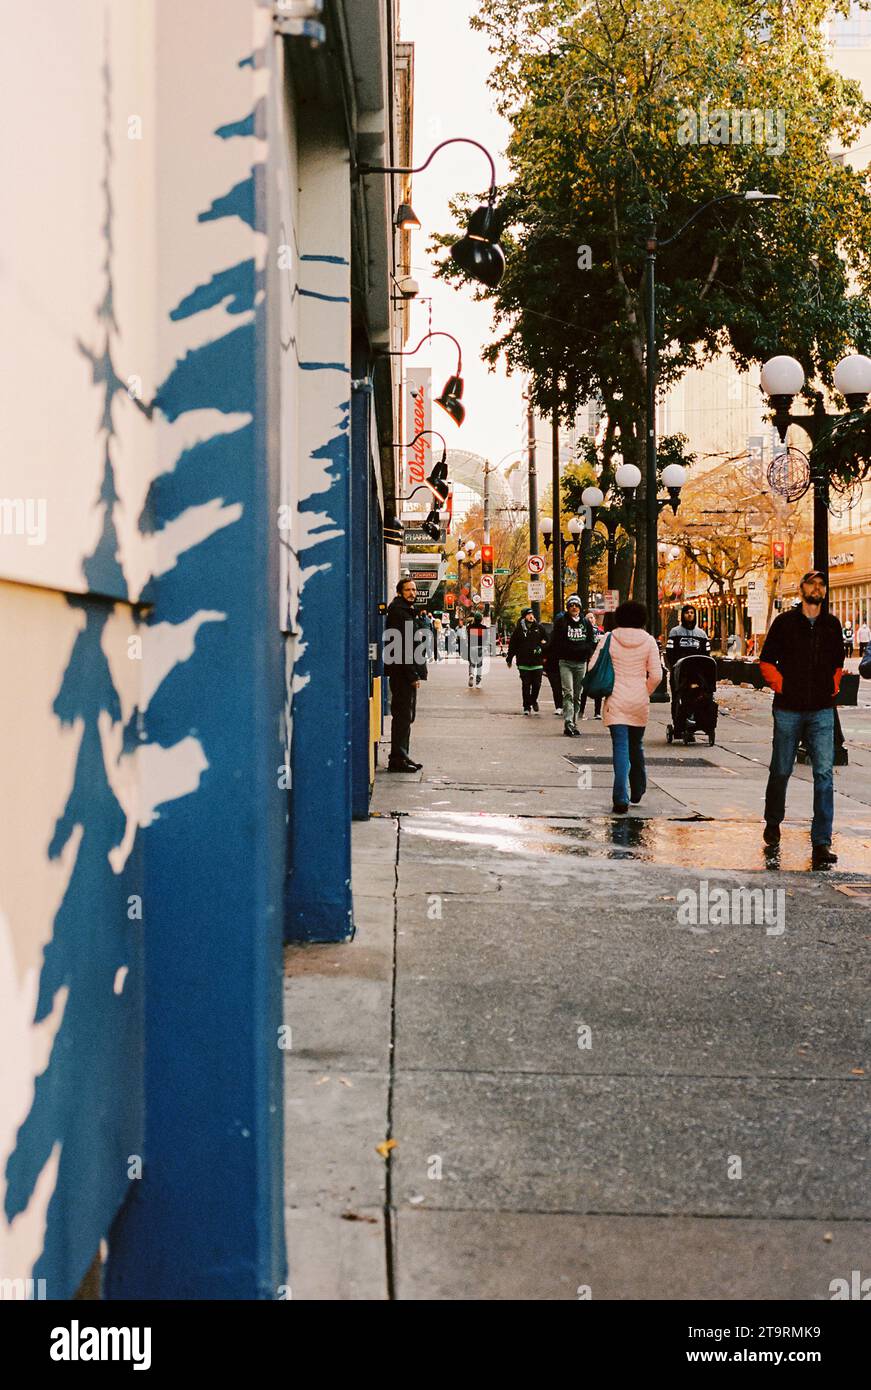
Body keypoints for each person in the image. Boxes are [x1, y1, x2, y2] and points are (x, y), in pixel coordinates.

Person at [758, 570, 844, 868]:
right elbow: (766, 661)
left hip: (821, 710)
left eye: (822, 585)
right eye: (812, 584)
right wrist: (782, 686)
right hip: (788, 709)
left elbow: (838, 664)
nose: (817, 588)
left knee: (823, 773)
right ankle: (773, 821)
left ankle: (821, 842)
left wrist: (832, 686)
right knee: (781, 769)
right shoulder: (784, 623)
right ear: (802, 589)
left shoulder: (831, 625)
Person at [586, 601, 662, 813]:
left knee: (620, 747)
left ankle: (621, 796)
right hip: (638, 699)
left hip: (616, 698)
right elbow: (657, 675)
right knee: (636, 745)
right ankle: (638, 788)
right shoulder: (648, 641)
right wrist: (644, 691)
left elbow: (592, 666)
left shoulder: (608, 638)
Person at [383, 577, 427, 772]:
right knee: (402, 716)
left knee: (405, 716)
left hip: (404, 672)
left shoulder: (406, 612)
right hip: (402, 674)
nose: (413, 593)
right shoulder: (400, 613)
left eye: (414, 590)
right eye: (408, 590)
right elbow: (404, 647)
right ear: (400, 592)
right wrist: (413, 675)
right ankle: (398, 759)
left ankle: (402, 755)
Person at [549, 595, 596, 737]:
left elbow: (590, 641)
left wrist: (585, 651)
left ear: (580, 607)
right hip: (565, 662)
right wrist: (563, 651)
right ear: (568, 608)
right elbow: (555, 640)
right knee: (568, 692)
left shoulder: (586, 623)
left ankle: (574, 723)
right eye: (571, 605)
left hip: (581, 663)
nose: (574, 607)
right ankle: (568, 723)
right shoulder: (562, 622)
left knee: (578, 695)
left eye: (576, 605)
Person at [507, 608, 547, 714]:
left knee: (537, 685)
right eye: (528, 614)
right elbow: (513, 645)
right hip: (523, 662)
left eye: (532, 614)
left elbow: (546, 641)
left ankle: (533, 700)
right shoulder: (519, 630)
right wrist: (509, 658)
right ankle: (526, 707)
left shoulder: (539, 628)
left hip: (537, 662)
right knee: (526, 684)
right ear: (524, 616)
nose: (531, 616)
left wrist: (541, 647)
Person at [579, 610, 604, 720]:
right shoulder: (582, 632)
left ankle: (597, 712)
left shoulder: (600, 632)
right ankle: (581, 710)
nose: (590, 620)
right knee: (584, 688)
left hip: (597, 663)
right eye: (588, 618)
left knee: (597, 687)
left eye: (592, 618)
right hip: (586, 661)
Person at [467, 610, 487, 688]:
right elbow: (485, 639)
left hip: (472, 647)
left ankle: (471, 674)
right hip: (480, 647)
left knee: (472, 663)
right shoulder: (484, 628)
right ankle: (478, 683)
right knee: (479, 665)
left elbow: (467, 637)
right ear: (481, 619)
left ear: (474, 619)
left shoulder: (470, 627)